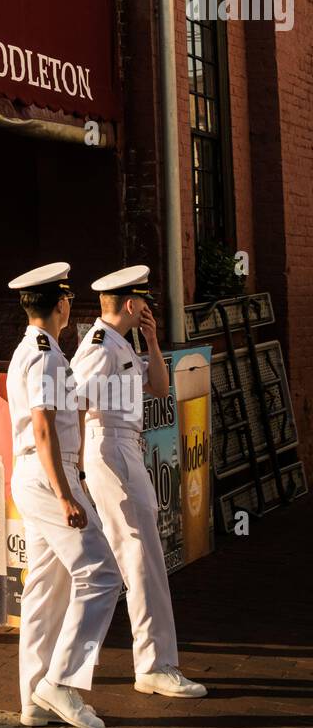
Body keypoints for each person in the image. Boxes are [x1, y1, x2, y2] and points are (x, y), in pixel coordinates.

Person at [71, 265, 207, 700]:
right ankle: (153, 664)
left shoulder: (121, 342)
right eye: (144, 302)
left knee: (122, 560)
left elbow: (160, 390)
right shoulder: (99, 346)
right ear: (131, 304)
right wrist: (75, 465)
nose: (148, 307)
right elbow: (75, 402)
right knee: (141, 558)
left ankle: (83, 658)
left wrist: (151, 342)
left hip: (123, 447)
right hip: (111, 449)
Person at [7, 262, 122, 728]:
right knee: (102, 575)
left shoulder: (30, 350)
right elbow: (43, 426)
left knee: (46, 589)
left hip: (36, 472)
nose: (71, 306)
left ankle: (34, 699)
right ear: (61, 305)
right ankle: (60, 683)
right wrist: (65, 493)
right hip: (48, 476)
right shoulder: (48, 356)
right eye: (69, 299)